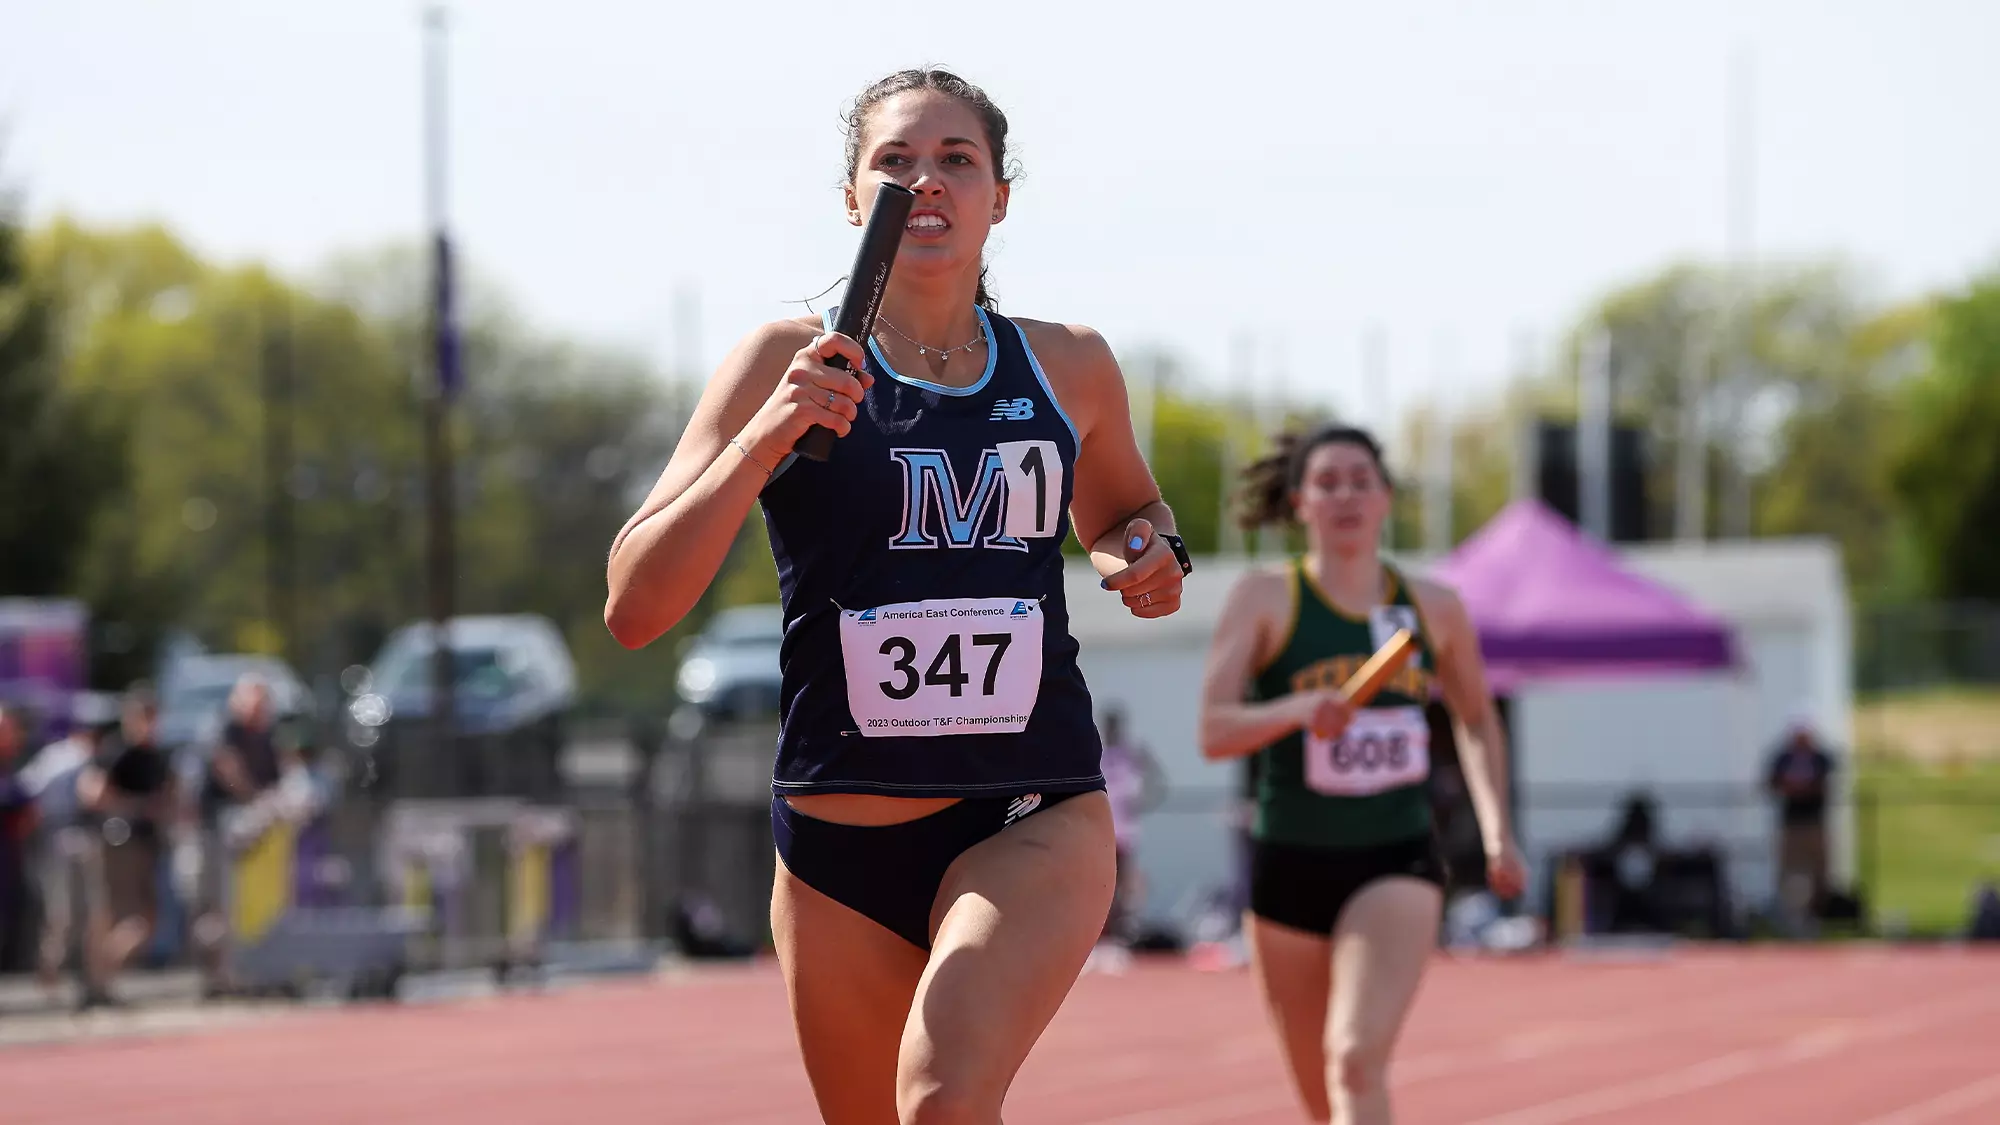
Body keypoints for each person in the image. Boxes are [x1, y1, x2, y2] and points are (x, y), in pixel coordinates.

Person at [604, 67, 1189, 1125]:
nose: (926, 182)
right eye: (895, 163)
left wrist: (1145, 555)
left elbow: (1125, 517)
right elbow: (636, 608)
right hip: (837, 837)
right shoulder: (781, 360)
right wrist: (763, 437)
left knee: (940, 1098)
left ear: (998, 198)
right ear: (850, 197)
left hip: (1028, 810)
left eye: (955, 161)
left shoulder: (1069, 366)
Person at [1197, 423, 1524, 1125]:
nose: (1345, 493)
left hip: (1395, 859)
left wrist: (1498, 831)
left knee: (1353, 1057)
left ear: (1386, 498)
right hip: (1288, 866)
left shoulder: (1435, 607)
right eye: (1327, 481)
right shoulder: (1263, 599)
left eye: (1360, 480)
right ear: (1298, 502)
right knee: (1322, 1097)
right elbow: (1214, 731)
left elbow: (1474, 717)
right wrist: (1294, 709)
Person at [83, 684, 177, 999]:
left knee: (145, 920)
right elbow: (93, 794)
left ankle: (101, 976)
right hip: (120, 842)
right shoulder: (116, 750)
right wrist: (135, 806)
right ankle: (98, 978)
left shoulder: (155, 755)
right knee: (118, 915)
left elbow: (168, 798)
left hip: (146, 844)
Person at [1097, 705, 1166, 950]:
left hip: (1124, 832)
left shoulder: (1131, 754)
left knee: (1124, 884)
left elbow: (1157, 782)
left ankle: (1119, 933)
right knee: (1102, 883)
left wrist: (1143, 802)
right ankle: (1102, 934)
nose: (1112, 730)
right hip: (1100, 831)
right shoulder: (1096, 751)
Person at [1765, 712, 1834, 922]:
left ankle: (1818, 915)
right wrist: (1797, 788)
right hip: (1790, 824)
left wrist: (1796, 788)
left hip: (1814, 823)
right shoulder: (1782, 758)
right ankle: (1791, 916)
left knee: (1818, 871)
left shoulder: (1821, 757)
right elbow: (1774, 785)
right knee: (1790, 870)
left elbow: (1820, 786)